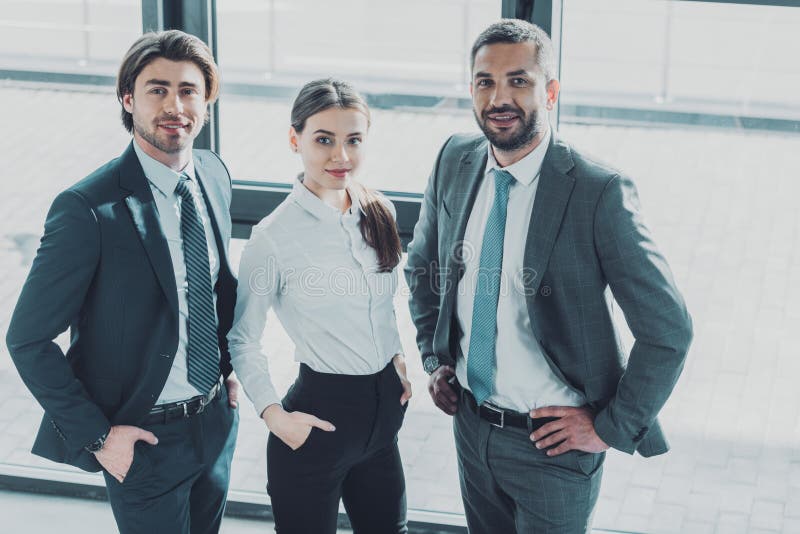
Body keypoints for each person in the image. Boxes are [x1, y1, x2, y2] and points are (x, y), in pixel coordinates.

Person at [404, 19, 693, 533]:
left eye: (519, 81)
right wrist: (434, 356)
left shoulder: (597, 192)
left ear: (551, 91)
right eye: (485, 82)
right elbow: (423, 266)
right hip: (471, 429)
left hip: (554, 447)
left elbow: (668, 329)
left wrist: (610, 428)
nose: (499, 97)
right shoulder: (454, 159)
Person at [5, 30, 239, 534]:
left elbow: (215, 291)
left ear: (207, 102)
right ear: (129, 100)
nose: (174, 105)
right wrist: (99, 437)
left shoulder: (215, 175)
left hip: (216, 421)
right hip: (143, 441)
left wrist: (228, 369)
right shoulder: (88, 208)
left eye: (188, 90)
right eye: (157, 89)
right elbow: (26, 339)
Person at [228, 78, 411, 534]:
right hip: (316, 424)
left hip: (382, 421)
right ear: (295, 139)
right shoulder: (273, 236)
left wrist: (398, 359)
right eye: (324, 140)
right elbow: (243, 339)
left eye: (353, 140)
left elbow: (382, 306)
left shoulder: (380, 210)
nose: (340, 156)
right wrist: (274, 416)